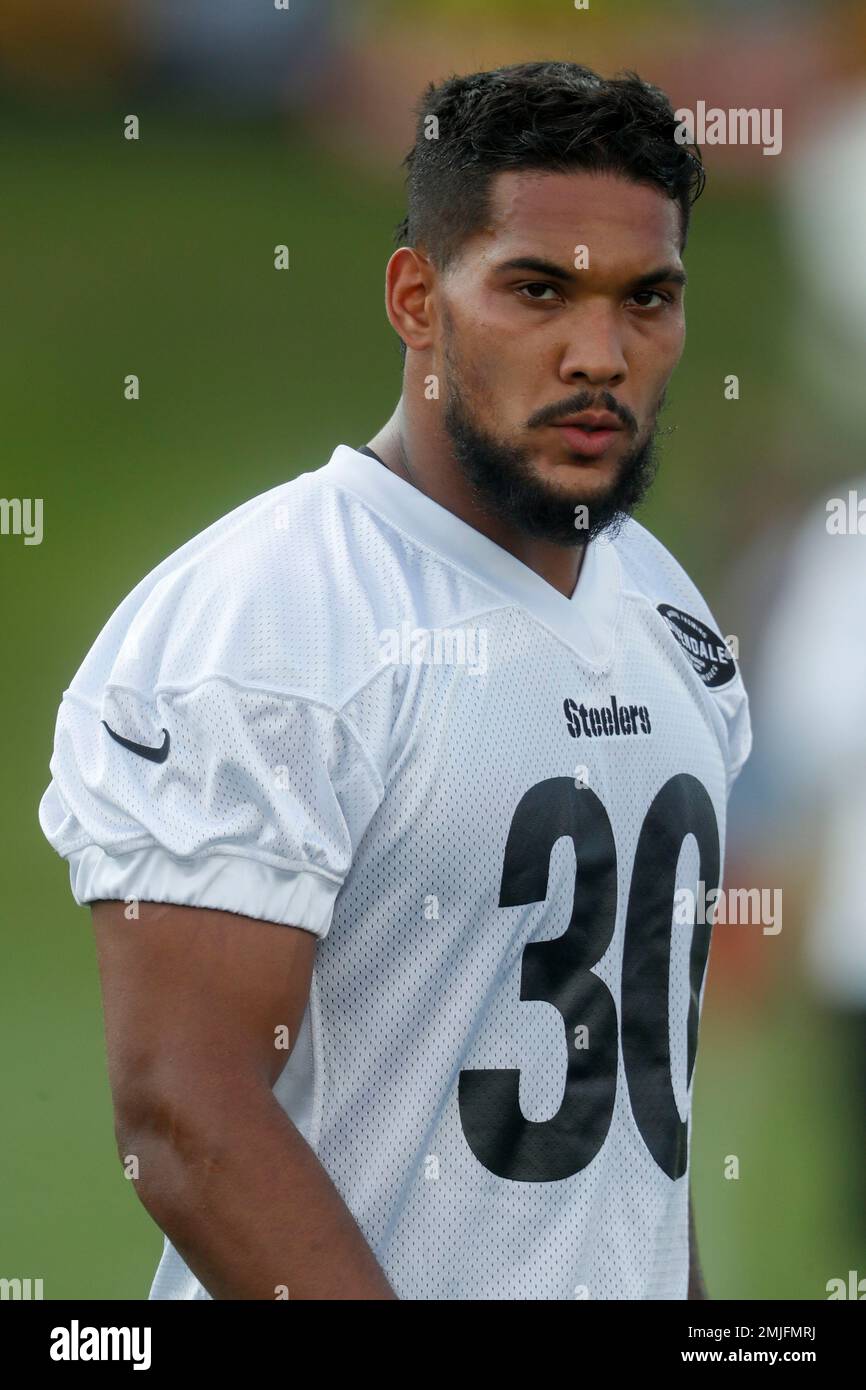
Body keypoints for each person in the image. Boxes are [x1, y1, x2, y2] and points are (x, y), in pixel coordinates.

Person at [39, 61, 751, 1300]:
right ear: (416, 298)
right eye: (538, 289)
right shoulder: (269, 618)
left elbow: (633, 1124)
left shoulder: (667, 612)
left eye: (647, 298)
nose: (600, 352)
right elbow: (182, 1113)